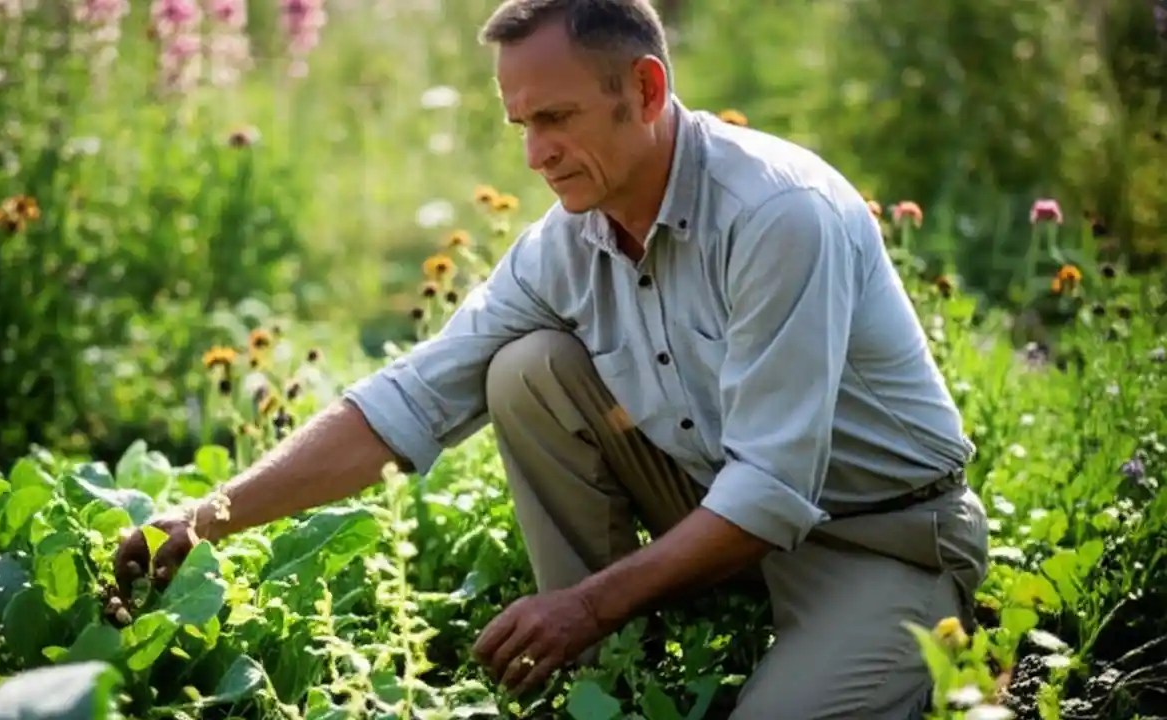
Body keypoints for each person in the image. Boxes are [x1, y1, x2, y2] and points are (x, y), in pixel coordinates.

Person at [113, 0, 990, 716]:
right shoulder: (568, 239)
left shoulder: (776, 215)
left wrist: (586, 603)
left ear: (645, 89)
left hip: (878, 538)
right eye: (522, 125)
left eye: (557, 119)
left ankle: (607, 623)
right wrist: (199, 519)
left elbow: (769, 489)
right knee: (523, 369)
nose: (535, 156)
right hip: (716, 511)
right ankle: (606, 676)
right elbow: (414, 396)